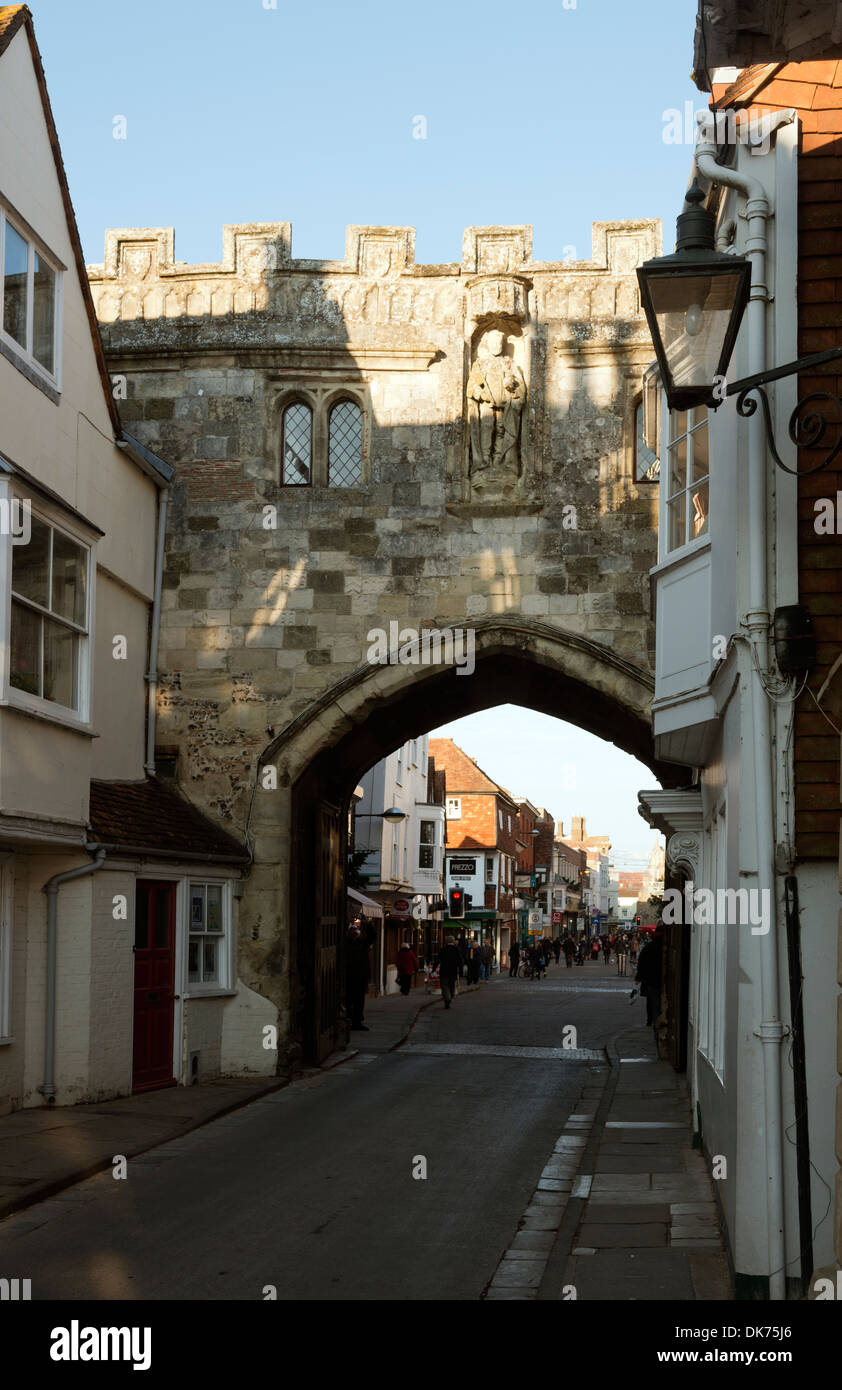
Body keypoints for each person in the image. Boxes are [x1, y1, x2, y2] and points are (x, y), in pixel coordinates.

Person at [345, 917, 376, 1031]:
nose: (354, 934)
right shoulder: (345, 944)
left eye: (355, 932)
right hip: (349, 976)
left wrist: (367, 923)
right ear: (348, 934)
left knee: (359, 1000)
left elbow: (372, 936)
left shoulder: (362, 943)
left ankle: (357, 1021)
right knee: (349, 999)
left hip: (361, 976)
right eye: (352, 932)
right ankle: (349, 1020)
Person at [635, 928, 664, 1041]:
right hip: (662, 980)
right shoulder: (666, 948)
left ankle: (653, 1023)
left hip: (651, 981)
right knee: (659, 1004)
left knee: (653, 1003)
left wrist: (639, 977)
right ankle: (658, 1025)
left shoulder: (648, 947)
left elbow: (641, 963)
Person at [438, 935, 463, 1009]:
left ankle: (447, 999)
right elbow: (460, 961)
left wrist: (433, 969)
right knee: (452, 985)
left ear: (446, 941)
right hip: (453, 972)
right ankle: (450, 997)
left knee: (444, 986)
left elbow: (437, 960)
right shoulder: (456, 950)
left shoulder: (443, 949)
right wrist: (461, 971)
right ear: (453, 941)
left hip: (444, 971)